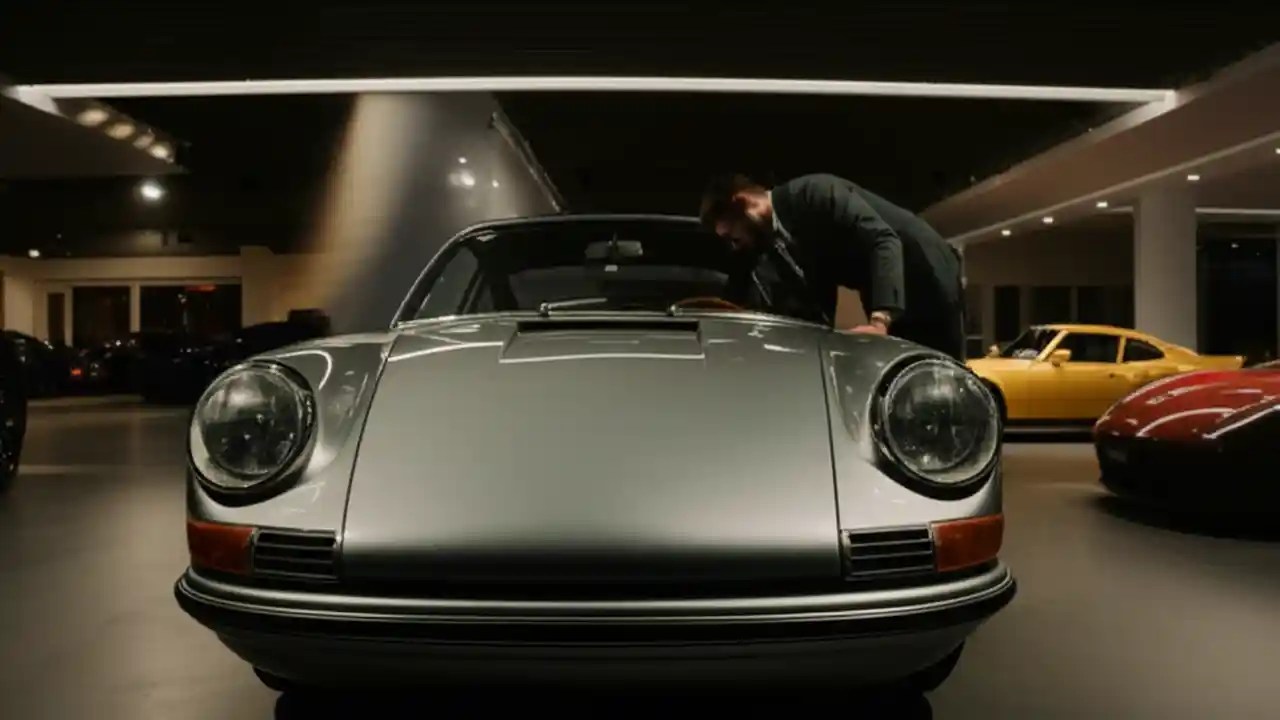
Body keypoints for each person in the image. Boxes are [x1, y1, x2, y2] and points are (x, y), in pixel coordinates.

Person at [699, 172, 967, 361]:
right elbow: (815, 294)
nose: (735, 245)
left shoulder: (818, 193)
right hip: (886, 287)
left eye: (732, 236)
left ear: (744, 203)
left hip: (927, 270)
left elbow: (883, 240)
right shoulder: (779, 241)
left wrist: (879, 320)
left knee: (939, 371)